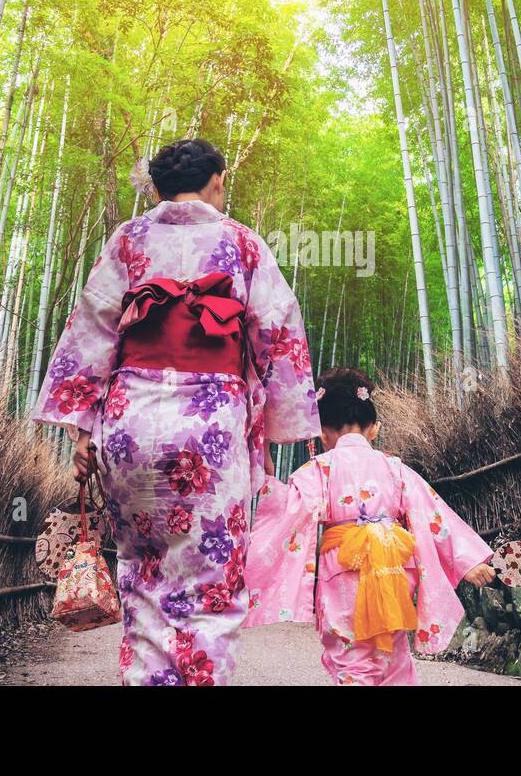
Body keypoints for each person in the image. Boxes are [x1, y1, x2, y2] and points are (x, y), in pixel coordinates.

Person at [31, 138, 319, 685]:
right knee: (210, 581)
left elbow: (92, 327)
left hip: (129, 423)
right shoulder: (242, 243)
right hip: (210, 427)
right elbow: (278, 331)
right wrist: (285, 419)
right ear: (216, 180)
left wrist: (84, 429)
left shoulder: (129, 239)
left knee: (141, 573)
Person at [243, 368, 494, 685]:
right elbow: (431, 514)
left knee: (353, 661)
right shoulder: (394, 468)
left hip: (346, 573)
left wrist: (265, 465)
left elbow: (289, 510)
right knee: (393, 657)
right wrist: (467, 562)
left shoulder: (319, 468)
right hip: (393, 571)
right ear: (374, 429)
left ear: (323, 434)